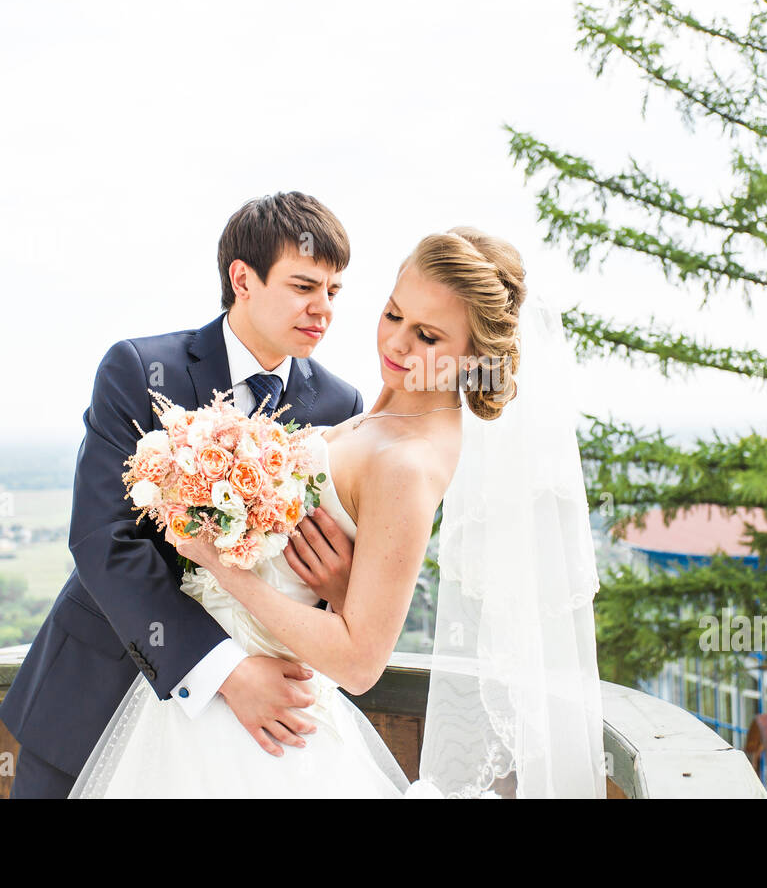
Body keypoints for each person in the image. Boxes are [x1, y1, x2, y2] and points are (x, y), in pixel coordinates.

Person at [70, 227, 607, 799]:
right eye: (393, 314)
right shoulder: (371, 413)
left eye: (426, 335)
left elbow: (360, 663)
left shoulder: (409, 462)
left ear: (474, 357)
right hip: (203, 702)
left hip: (266, 721)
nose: (396, 345)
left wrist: (225, 568)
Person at [0, 191, 365, 798]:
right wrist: (225, 672)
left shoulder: (340, 405)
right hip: (100, 697)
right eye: (305, 286)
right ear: (242, 279)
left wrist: (338, 590)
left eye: (334, 291)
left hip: (264, 725)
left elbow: (327, 559)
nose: (322, 309)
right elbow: (103, 539)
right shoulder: (140, 369)